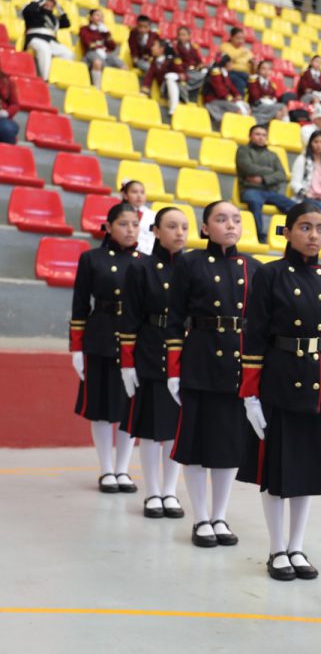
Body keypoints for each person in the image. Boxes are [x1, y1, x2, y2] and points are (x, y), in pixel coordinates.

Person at [237, 202, 321, 581]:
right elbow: (254, 334)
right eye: (306, 228)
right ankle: (277, 547)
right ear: (288, 232)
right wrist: (250, 393)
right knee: (278, 471)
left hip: (317, 381)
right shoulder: (269, 275)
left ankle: (297, 546)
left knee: (307, 472)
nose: (314, 236)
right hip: (279, 377)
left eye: (320, 228)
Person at [166, 201, 263, 548]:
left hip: (236, 366)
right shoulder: (190, 263)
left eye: (236, 219)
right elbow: (175, 318)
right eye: (221, 219)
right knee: (195, 444)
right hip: (200, 360)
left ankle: (219, 515)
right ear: (205, 227)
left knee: (227, 445)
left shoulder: (253, 267)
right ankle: (200, 517)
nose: (230, 225)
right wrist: (173, 369)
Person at [119, 207, 187, 518]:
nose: (179, 233)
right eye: (171, 226)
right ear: (156, 230)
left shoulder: (192, 267)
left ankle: (170, 490)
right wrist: (127, 361)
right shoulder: (141, 268)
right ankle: (152, 492)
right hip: (149, 346)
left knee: (176, 427)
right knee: (150, 427)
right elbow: (129, 316)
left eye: (184, 227)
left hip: (186, 350)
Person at [71, 203, 141, 496]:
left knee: (129, 408)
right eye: (124, 224)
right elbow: (79, 304)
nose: (130, 230)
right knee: (101, 407)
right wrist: (76, 347)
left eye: (135, 224)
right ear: (109, 226)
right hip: (100, 335)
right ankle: (106, 468)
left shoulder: (145, 262)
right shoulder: (92, 259)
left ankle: (123, 468)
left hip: (136, 341)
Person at [237, 124, 299, 242]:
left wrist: (263, 179)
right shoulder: (243, 150)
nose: (261, 137)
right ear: (250, 136)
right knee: (255, 201)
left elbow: (282, 175)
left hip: (270, 191)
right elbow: (248, 168)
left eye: (264, 135)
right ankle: (259, 236)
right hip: (250, 189)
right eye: (257, 134)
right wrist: (271, 171)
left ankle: (288, 236)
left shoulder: (273, 155)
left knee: (295, 208)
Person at [23, 0, 73, 80]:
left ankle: (57, 78)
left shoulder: (53, 18)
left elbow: (66, 23)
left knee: (67, 53)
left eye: (51, 1)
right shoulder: (33, 10)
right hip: (34, 38)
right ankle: (45, 79)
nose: (49, 3)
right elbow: (28, 11)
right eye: (46, 0)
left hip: (50, 41)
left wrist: (57, 6)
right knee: (44, 48)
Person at [80, 9, 126, 87]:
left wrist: (107, 34)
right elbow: (88, 44)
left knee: (123, 66)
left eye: (102, 16)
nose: (100, 18)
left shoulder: (104, 31)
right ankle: (97, 87)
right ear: (91, 18)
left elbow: (113, 46)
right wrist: (98, 43)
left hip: (105, 53)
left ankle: (117, 87)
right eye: (97, 15)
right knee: (97, 62)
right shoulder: (85, 29)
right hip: (92, 52)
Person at [202, 55, 252, 128]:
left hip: (223, 99)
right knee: (236, 108)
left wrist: (237, 96)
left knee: (246, 107)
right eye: (231, 62)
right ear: (227, 63)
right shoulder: (216, 73)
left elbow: (231, 87)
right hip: (213, 100)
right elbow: (220, 90)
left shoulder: (225, 73)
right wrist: (231, 99)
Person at [140, 39, 184, 115]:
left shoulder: (172, 60)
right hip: (164, 90)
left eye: (154, 46)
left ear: (161, 49)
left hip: (179, 91)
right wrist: (144, 91)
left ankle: (174, 108)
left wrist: (176, 76)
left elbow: (184, 76)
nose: (152, 48)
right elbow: (149, 76)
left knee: (170, 77)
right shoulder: (155, 61)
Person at [119, 179, 156, 254]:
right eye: (134, 192)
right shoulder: (119, 213)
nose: (139, 196)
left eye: (142, 192)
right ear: (125, 195)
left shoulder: (153, 215)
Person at [172, 26, 207, 103]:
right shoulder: (176, 47)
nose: (181, 37)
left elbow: (199, 60)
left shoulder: (193, 47)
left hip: (194, 70)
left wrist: (200, 65)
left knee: (207, 74)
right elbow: (177, 62)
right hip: (184, 70)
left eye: (184, 35)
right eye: (180, 35)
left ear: (189, 36)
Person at [0, 68, 18, 144]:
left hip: (2, 120)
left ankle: (9, 154)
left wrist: (7, 112)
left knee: (6, 129)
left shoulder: (8, 82)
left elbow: (15, 105)